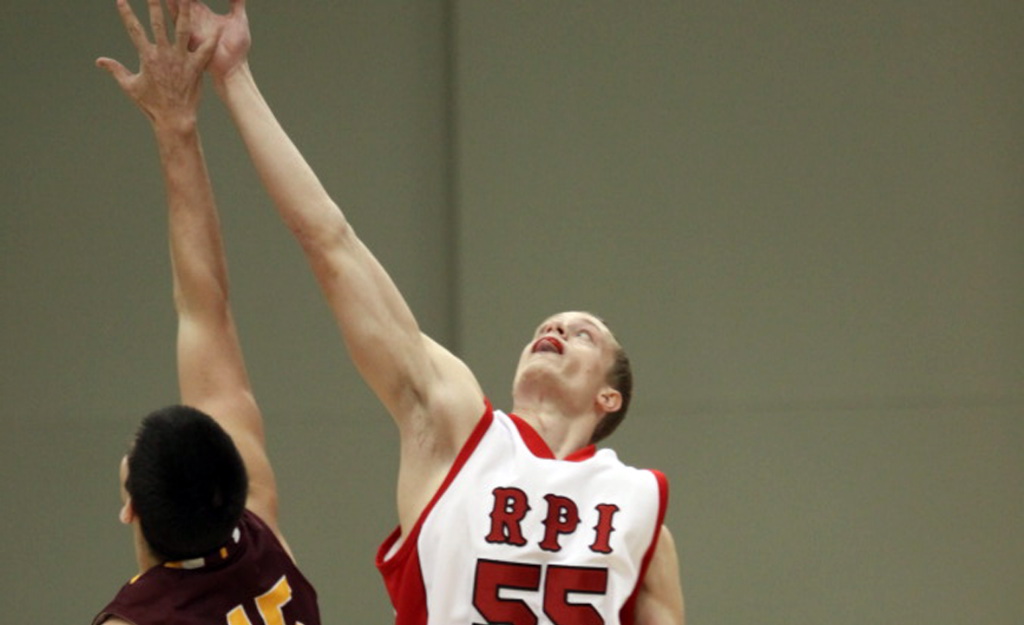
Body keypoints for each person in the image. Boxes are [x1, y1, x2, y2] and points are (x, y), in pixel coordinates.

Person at [186, 1, 684, 622]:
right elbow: (332, 245)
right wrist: (235, 78)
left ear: (609, 399)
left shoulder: (639, 509)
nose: (554, 330)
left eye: (583, 334)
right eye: (545, 326)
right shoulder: (456, 429)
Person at [93, 1, 321, 623]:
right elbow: (205, 310)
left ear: (129, 507)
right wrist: (178, 128)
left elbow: (205, 311)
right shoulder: (261, 545)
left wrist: (175, 126)